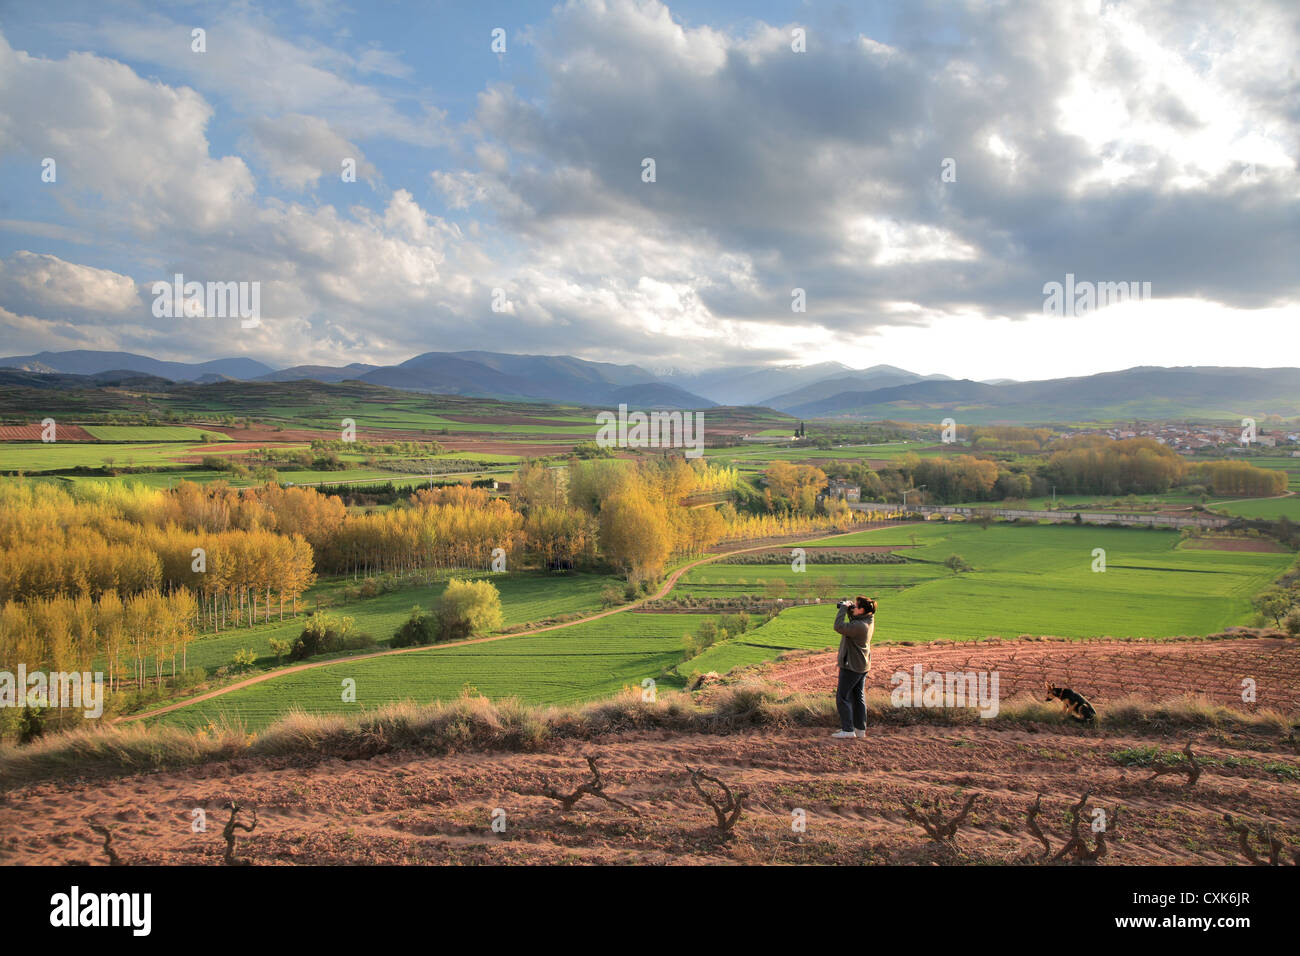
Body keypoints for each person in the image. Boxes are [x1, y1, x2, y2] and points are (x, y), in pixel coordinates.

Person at [831, 596, 876, 739]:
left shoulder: (859, 626)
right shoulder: (868, 620)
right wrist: (851, 609)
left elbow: (838, 626)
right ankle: (860, 729)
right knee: (858, 697)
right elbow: (855, 620)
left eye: (856, 606)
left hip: (852, 666)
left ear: (862, 610)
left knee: (842, 697)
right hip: (862, 665)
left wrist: (843, 609)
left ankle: (848, 730)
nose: (853, 608)